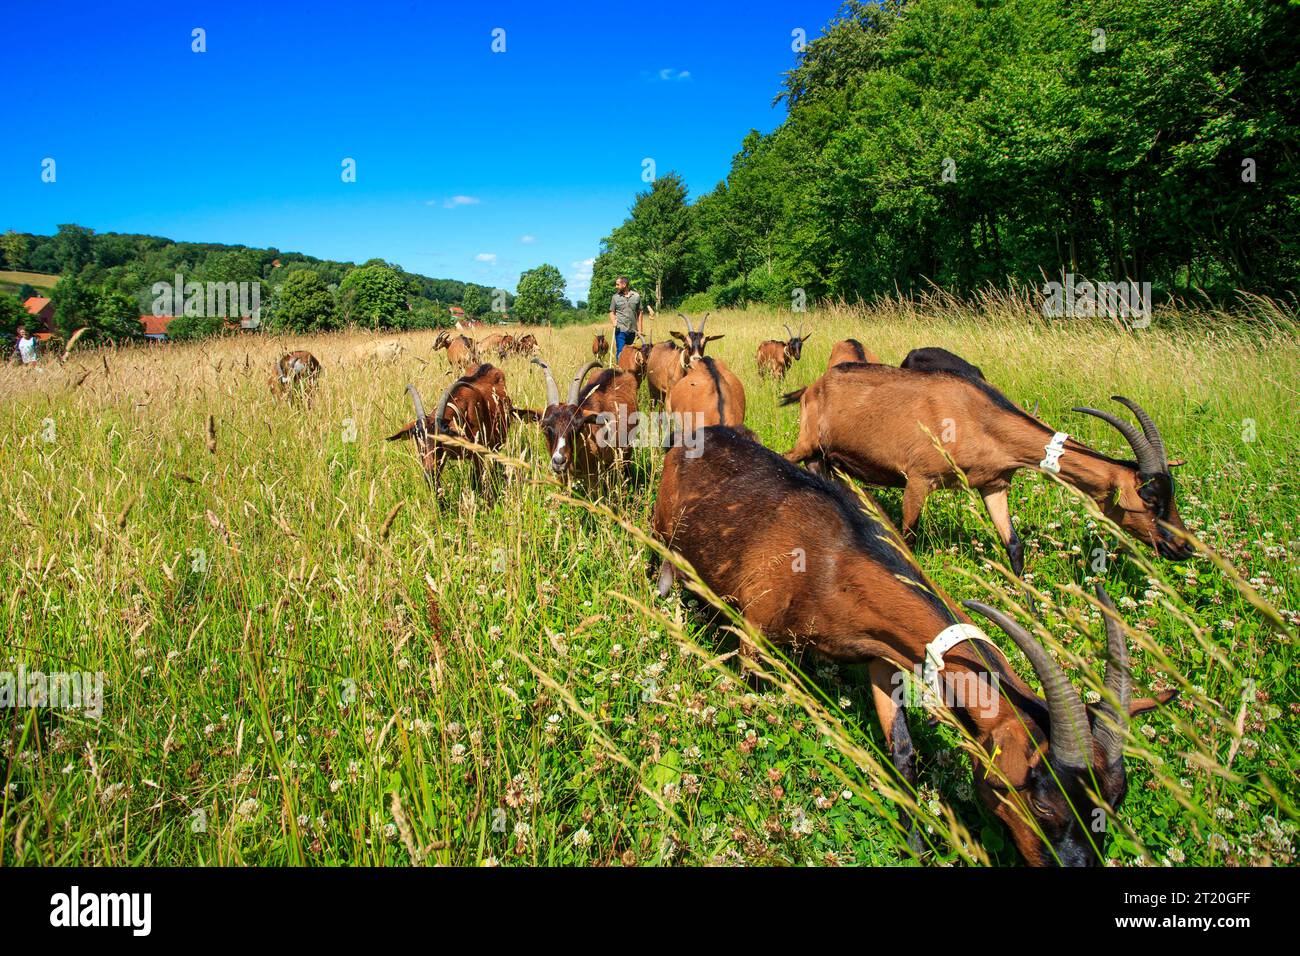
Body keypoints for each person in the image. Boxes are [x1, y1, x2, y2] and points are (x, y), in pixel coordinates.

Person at [608, 276, 643, 360]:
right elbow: (611, 312)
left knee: (631, 352)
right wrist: (613, 321)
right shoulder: (615, 297)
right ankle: (619, 371)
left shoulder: (636, 296)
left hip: (632, 330)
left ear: (624, 284)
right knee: (621, 351)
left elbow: (640, 312)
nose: (616, 286)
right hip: (620, 330)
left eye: (617, 284)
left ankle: (628, 372)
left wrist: (640, 329)